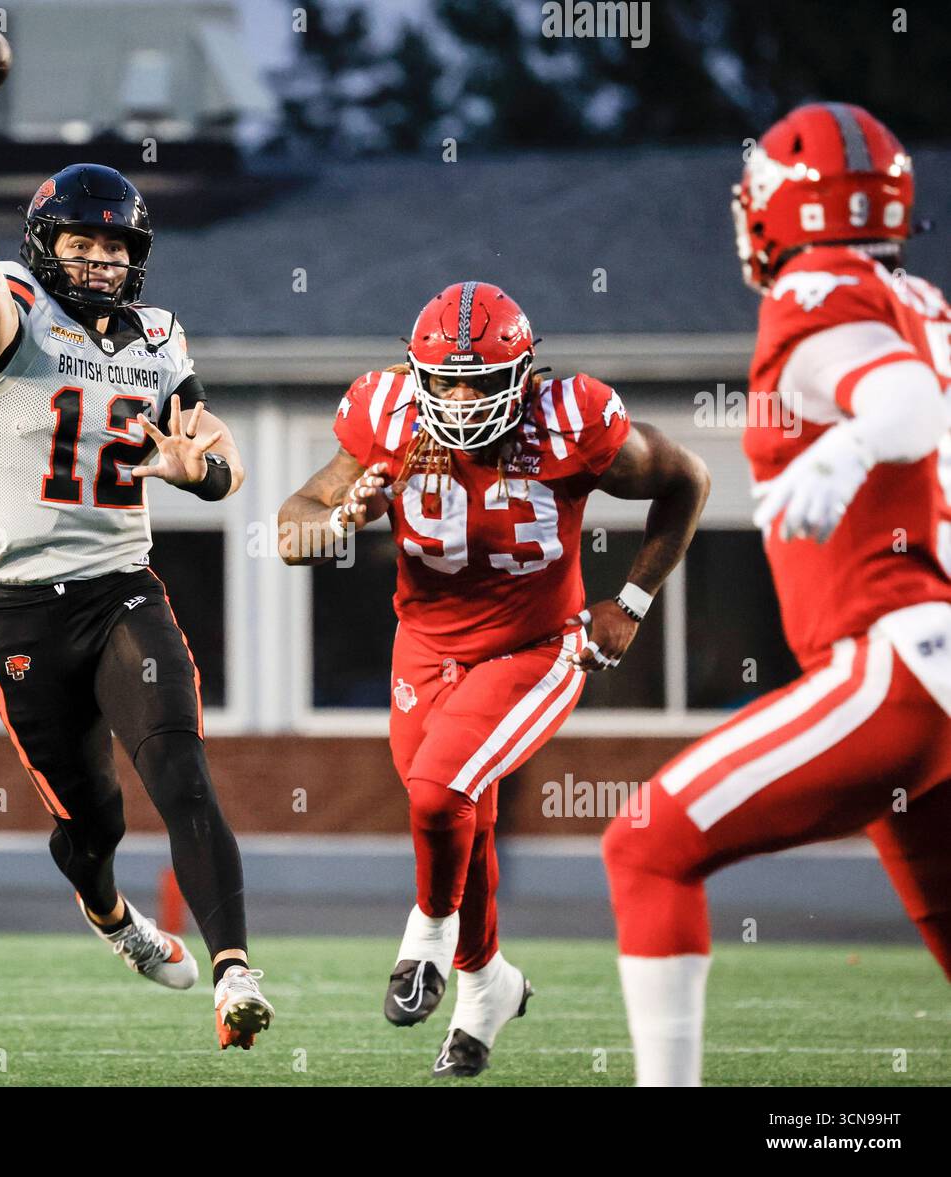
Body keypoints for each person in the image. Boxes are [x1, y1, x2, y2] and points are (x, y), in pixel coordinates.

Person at [0, 55, 273, 1050]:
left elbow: (213, 443)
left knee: (179, 765)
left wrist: (206, 475)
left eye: (116, 245)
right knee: (91, 824)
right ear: (46, 246)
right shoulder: (13, 320)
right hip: (17, 605)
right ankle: (110, 915)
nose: (101, 259)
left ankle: (236, 971)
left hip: (119, 589)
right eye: (82, 241)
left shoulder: (157, 336)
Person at [278, 281, 709, 1077]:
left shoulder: (572, 418)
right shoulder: (388, 417)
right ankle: (488, 990)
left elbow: (689, 481)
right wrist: (336, 522)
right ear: (417, 374)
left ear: (524, 373)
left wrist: (635, 600)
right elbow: (293, 525)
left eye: (481, 380)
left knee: (438, 794)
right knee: (458, 819)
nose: (463, 397)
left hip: (536, 648)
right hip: (424, 650)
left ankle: (428, 936)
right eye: (445, 380)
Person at [603, 102, 951, 1086]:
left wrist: (842, 453)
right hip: (932, 664)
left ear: (778, 207)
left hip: (894, 667)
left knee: (646, 847)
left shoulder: (816, 285)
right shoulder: (917, 299)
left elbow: (907, 406)